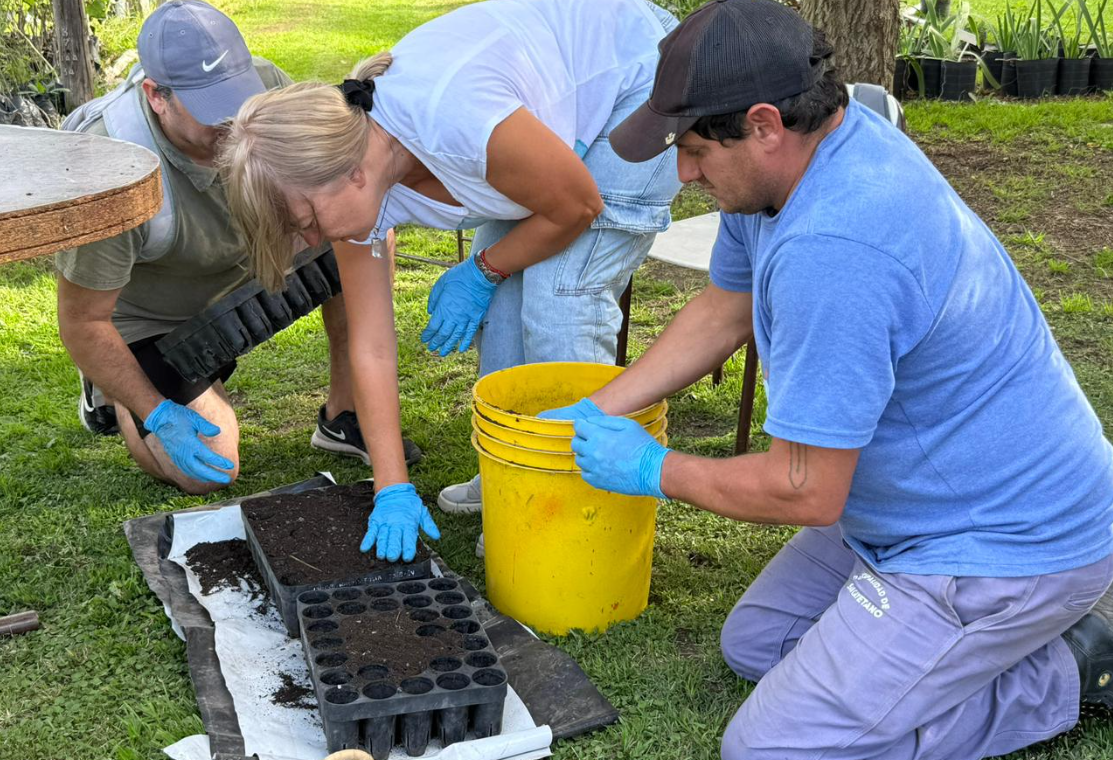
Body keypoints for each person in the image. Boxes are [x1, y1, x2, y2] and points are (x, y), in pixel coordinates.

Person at [542, 1, 1113, 758]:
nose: (681, 172)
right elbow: (723, 309)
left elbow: (804, 490)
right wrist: (592, 407)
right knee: (758, 642)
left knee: (771, 748)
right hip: (913, 506)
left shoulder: (838, 249)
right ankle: (970, 645)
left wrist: (654, 470)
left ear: (764, 123)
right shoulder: (806, 157)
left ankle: (1072, 666)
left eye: (691, 149)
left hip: (999, 541)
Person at [218, 0, 683, 560]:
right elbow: (371, 347)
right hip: (552, 120)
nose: (312, 239)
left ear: (352, 173)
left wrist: (484, 269)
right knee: (504, 304)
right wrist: (391, 486)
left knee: (560, 293)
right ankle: (511, 476)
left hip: (642, 75)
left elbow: (577, 205)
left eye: (307, 223)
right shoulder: (346, 188)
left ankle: (574, 511)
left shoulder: (453, 119)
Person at [55, 0, 420, 496]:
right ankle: (117, 396)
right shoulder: (109, 169)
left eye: (236, 95)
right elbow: (83, 322)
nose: (233, 121)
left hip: (252, 270)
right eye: (210, 109)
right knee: (210, 469)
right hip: (157, 323)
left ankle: (345, 412)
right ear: (156, 96)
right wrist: (157, 411)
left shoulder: (268, 92)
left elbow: (341, 183)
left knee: (360, 230)